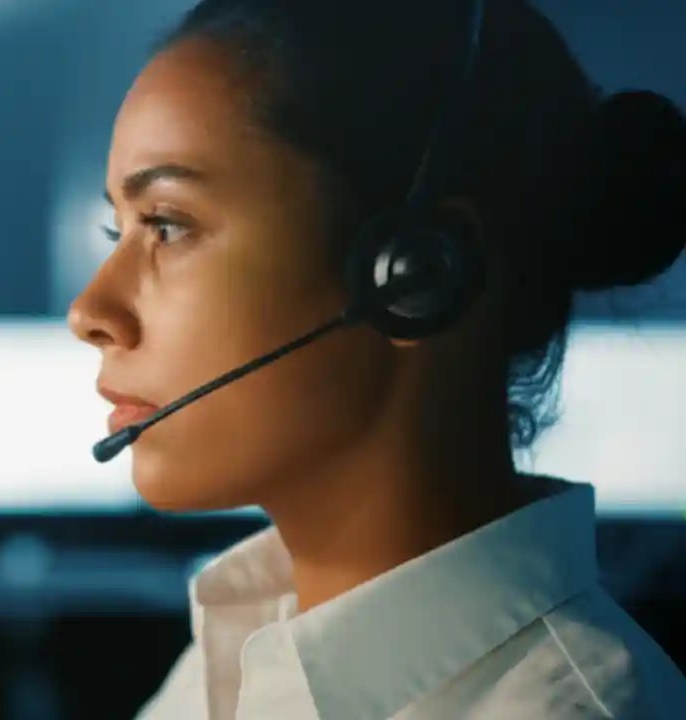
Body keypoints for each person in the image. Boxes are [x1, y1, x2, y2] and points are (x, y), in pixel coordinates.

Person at [66, 0, 686, 717]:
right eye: (119, 228)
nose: (90, 313)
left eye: (167, 226)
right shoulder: (226, 666)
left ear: (415, 276)